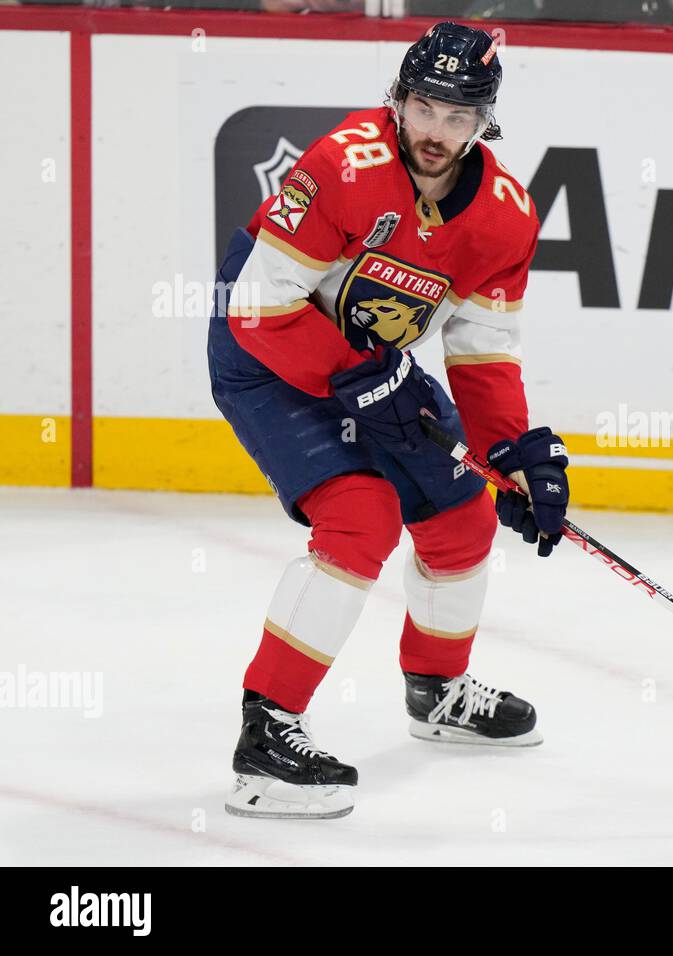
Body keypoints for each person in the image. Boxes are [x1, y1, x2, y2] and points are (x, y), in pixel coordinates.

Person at [207, 21, 568, 819]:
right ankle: (266, 734)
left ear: (485, 123)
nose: (437, 132)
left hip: (372, 367)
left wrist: (510, 453)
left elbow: (481, 348)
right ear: (398, 101)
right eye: (424, 108)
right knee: (360, 519)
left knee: (463, 515)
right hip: (269, 352)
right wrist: (358, 378)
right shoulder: (343, 165)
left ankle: (436, 691)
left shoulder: (506, 216)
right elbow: (259, 309)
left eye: (458, 116)